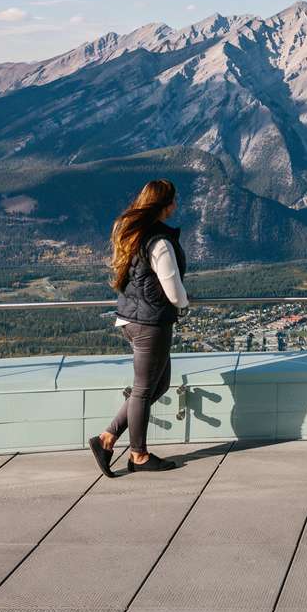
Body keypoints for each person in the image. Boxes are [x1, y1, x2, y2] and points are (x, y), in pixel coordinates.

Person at [89, 179, 189, 476]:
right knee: (145, 389)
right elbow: (172, 288)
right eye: (174, 200)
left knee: (158, 384)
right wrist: (183, 304)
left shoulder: (132, 234)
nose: (176, 205)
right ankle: (138, 455)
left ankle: (107, 438)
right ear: (165, 205)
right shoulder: (159, 241)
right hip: (150, 322)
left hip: (131, 318)